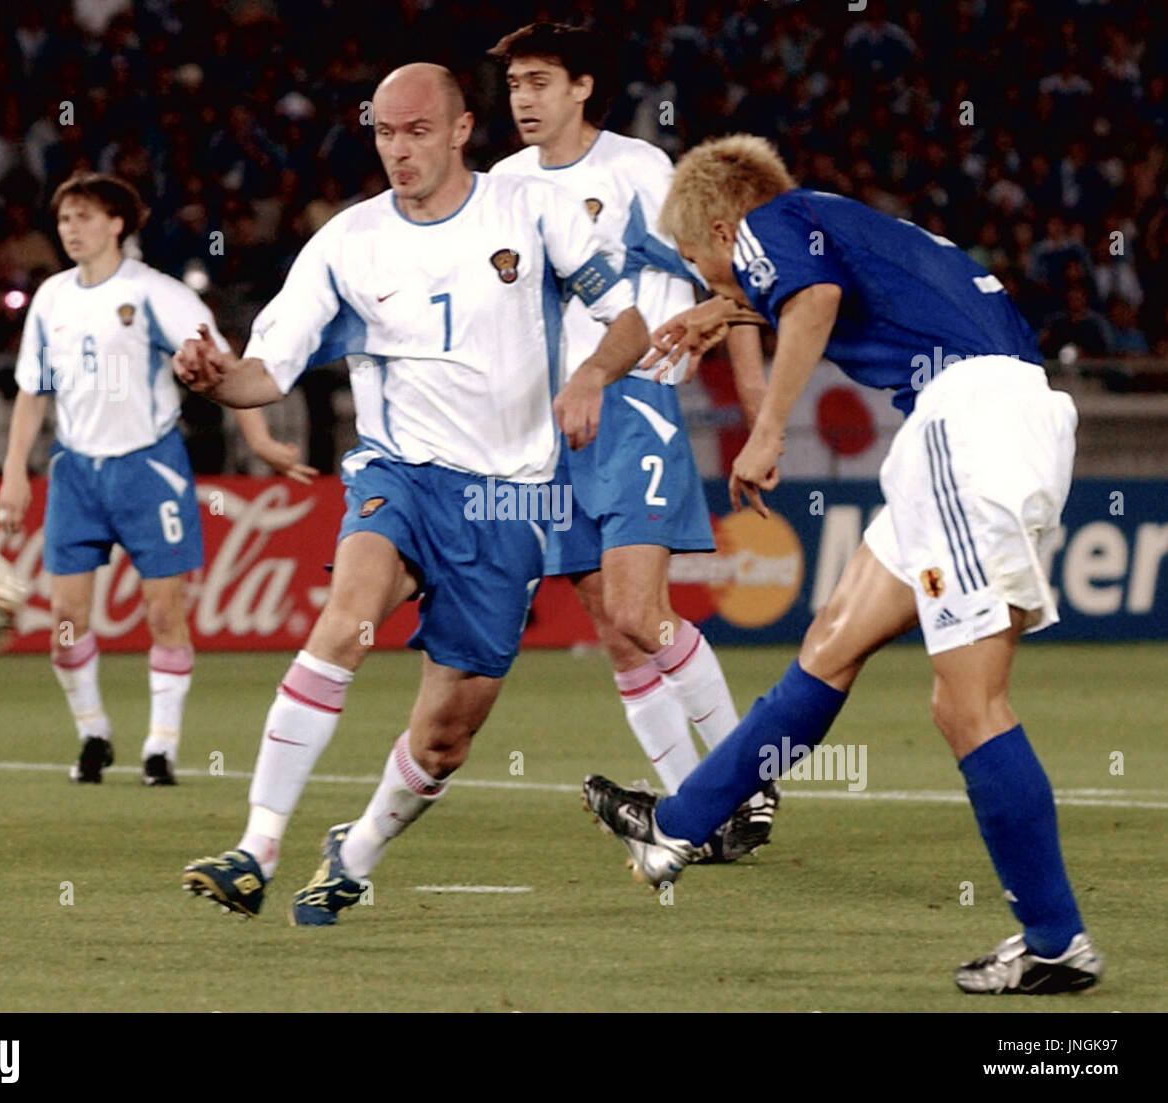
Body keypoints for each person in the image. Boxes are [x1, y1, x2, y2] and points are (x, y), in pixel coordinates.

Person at [582, 134, 1103, 996]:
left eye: (698, 261)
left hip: (964, 429)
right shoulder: (832, 220)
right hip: (993, 424)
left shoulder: (771, 219)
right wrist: (728, 309)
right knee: (830, 643)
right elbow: (828, 291)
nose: (713, 278)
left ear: (722, 226)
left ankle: (1055, 938)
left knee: (965, 704)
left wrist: (769, 424)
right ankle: (677, 824)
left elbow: (814, 298)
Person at [176, 63, 650, 925]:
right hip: (400, 477)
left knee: (446, 736)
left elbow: (629, 317)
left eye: (418, 131)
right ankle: (257, 847)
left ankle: (353, 853)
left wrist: (590, 373)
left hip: (511, 504)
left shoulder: (529, 213)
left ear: (464, 129)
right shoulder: (347, 244)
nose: (399, 149)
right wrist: (213, 379)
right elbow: (263, 372)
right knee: (345, 615)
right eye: (385, 133)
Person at [487, 23, 780, 877]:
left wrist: (760, 414)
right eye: (513, 86)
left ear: (583, 86)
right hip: (544, 433)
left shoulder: (639, 173)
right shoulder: (501, 185)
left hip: (631, 407)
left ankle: (744, 781)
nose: (523, 100)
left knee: (636, 610)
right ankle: (697, 814)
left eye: (539, 82)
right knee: (618, 634)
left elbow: (731, 284)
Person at [0, 171, 308, 787]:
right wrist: (13, 474)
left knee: (164, 613)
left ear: (117, 223)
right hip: (76, 472)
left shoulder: (155, 294)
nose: (72, 230)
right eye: (64, 220)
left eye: (85, 217)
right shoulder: (52, 299)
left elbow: (224, 366)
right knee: (64, 618)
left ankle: (161, 746)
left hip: (149, 467)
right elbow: (33, 393)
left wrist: (262, 440)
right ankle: (92, 735)